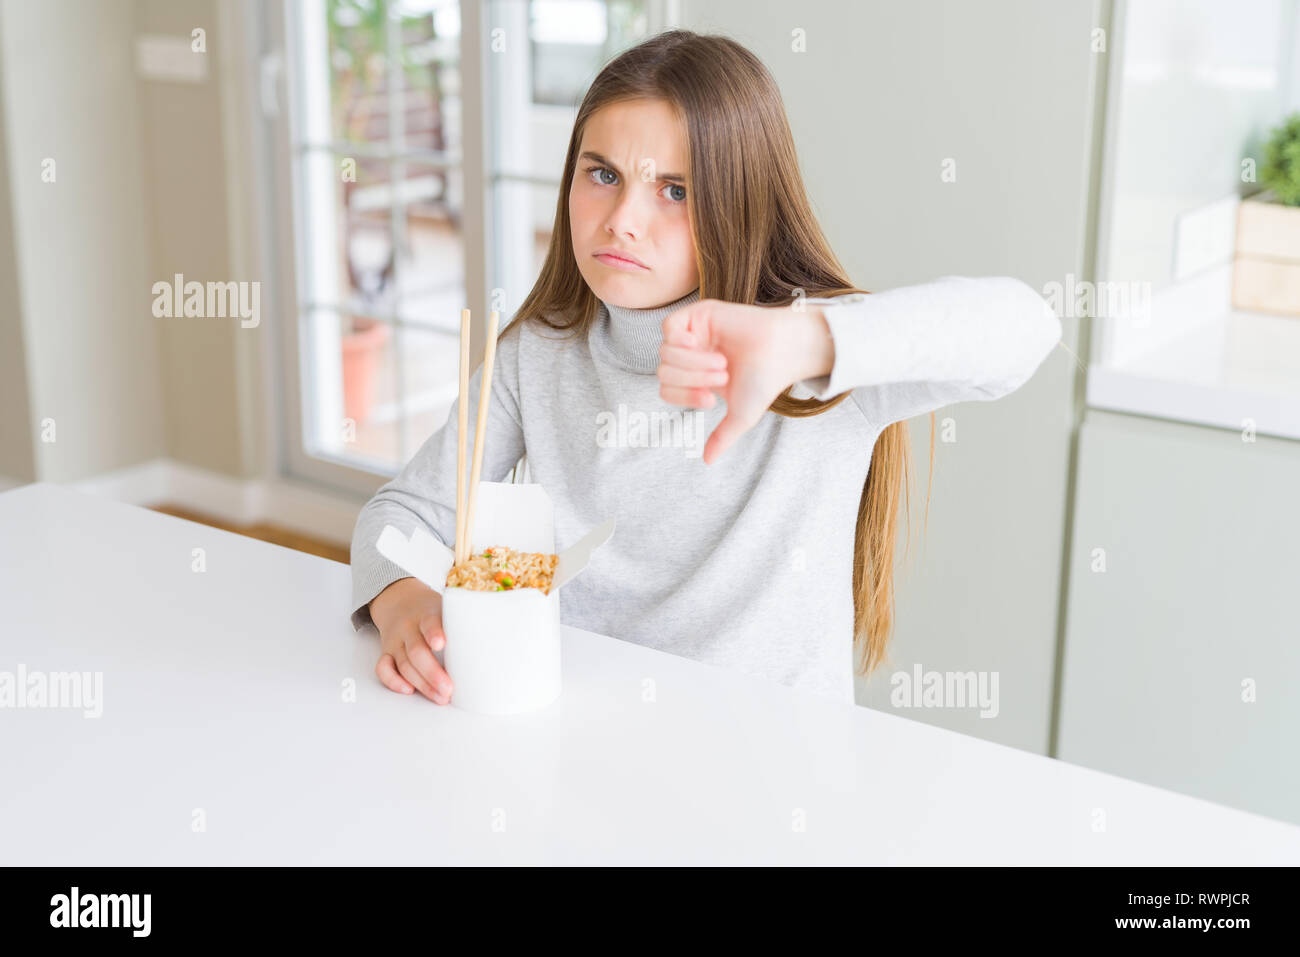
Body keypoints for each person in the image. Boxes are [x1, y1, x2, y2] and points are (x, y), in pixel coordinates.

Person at [349, 30, 1062, 707]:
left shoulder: (819, 354)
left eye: (675, 191)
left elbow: (1028, 326)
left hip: (773, 777)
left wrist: (806, 342)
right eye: (603, 174)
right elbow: (402, 513)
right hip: (588, 754)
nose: (622, 218)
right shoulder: (536, 355)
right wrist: (404, 598)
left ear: (741, 201)